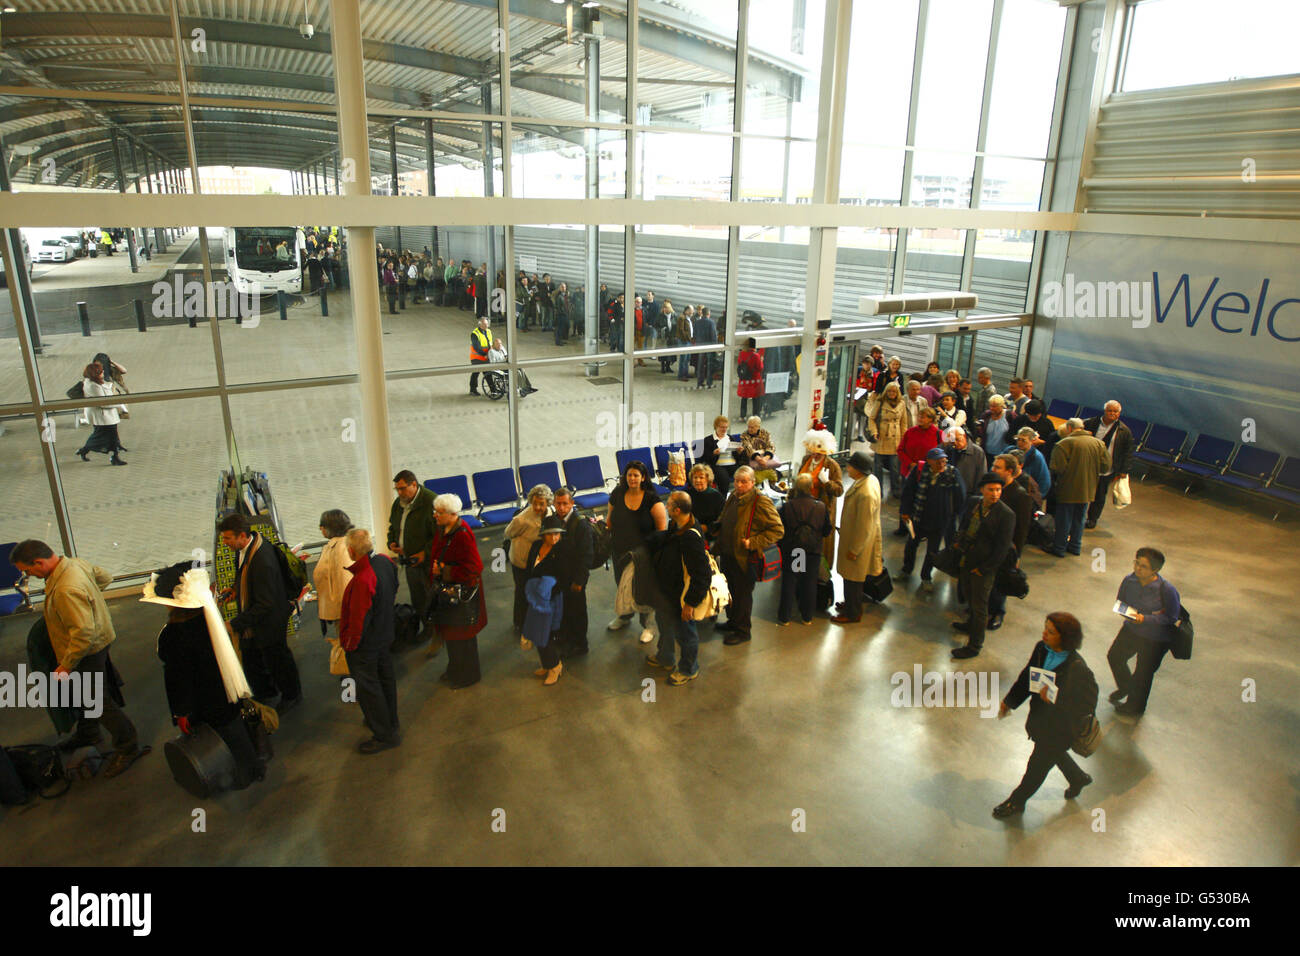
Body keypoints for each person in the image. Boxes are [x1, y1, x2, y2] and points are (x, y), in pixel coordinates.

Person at [10, 540, 143, 776]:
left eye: (28, 570)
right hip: (98, 639)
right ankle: (88, 732)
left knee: (96, 701)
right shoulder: (74, 564)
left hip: (87, 649)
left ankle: (128, 746)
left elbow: (83, 633)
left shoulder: (65, 588)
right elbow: (105, 577)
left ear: (39, 562)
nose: (27, 575)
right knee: (84, 693)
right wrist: (91, 600)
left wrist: (66, 665)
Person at [146, 561, 265, 788]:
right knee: (235, 731)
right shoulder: (209, 619)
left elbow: (177, 679)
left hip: (201, 700)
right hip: (224, 690)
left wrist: (181, 712)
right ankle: (253, 767)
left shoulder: (173, 635)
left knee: (218, 741)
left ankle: (236, 774)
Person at [993, 612, 1097, 818]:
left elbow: (1087, 704)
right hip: (1041, 720)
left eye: (1050, 632)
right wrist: (1010, 702)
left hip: (1060, 729)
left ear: (1065, 637)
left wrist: (1057, 698)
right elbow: (1027, 677)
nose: (1044, 634)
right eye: (1045, 628)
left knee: (1037, 766)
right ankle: (1077, 777)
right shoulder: (1042, 649)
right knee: (1050, 754)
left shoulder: (1077, 669)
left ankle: (1017, 801)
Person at [218, 514, 303, 710]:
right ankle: (266, 692)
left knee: (277, 658)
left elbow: (265, 604)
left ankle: (291, 695)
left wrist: (235, 624)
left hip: (270, 621)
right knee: (253, 657)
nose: (224, 543)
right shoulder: (248, 548)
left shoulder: (262, 561)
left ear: (241, 536)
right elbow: (244, 574)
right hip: (260, 619)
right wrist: (234, 588)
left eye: (227, 538)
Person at [338, 529, 400, 753]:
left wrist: (349, 645)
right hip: (384, 634)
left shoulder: (363, 579)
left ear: (352, 551)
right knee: (386, 681)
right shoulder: (384, 562)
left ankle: (383, 734)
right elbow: (394, 587)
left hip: (367, 644)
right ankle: (389, 721)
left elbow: (358, 620)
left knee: (369, 689)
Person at [645, 491, 713, 685]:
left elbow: (702, 574)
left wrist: (690, 603)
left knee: (685, 633)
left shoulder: (691, 535)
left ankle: (689, 669)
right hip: (668, 590)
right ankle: (665, 657)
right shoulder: (678, 523)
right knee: (664, 623)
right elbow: (668, 540)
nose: (665, 507)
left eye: (668, 504)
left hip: (681, 596)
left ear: (676, 510)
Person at [1107, 547, 1181, 718]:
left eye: (1143, 566)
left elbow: (1171, 617)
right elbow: (1121, 602)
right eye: (1136, 563)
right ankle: (1126, 687)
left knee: (1144, 672)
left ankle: (1135, 706)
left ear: (1155, 570)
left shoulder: (1166, 590)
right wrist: (1126, 613)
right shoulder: (1129, 580)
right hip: (1132, 630)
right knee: (1115, 656)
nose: (1137, 569)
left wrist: (1145, 619)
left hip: (1155, 639)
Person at [950, 474, 1016, 660]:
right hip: (966, 560)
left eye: (998, 490)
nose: (995, 494)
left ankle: (974, 645)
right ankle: (969, 624)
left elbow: (1002, 548)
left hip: (983, 567)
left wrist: (985, 569)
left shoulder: (1006, 514)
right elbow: (964, 523)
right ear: (982, 490)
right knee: (969, 596)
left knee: (980, 607)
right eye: (991, 489)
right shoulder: (974, 503)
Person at [715, 466, 783, 644]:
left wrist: (753, 542)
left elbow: (777, 530)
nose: (739, 484)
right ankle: (732, 622)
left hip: (745, 558)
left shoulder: (760, 501)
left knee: (742, 595)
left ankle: (743, 631)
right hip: (729, 554)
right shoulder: (733, 496)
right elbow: (724, 517)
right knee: (730, 591)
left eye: (744, 481)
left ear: (753, 483)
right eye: (737, 481)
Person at [606, 461, 668, 643]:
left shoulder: (651, 499)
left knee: (643, 589)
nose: (632, 478)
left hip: (643, 554)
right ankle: (625, 616)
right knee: (622, 585)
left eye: (636, 475)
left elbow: (661, 529)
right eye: (629, 475)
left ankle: (649, 625)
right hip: (620, 551)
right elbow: (609, 520)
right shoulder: (617, 494)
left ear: (643, 478)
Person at [897, 447, 966, 591]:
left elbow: (961, 495)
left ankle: (926, 577)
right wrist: (905, 511)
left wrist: (954, 515)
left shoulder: (952, 473)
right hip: (918, 518)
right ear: (929, 461)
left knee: (932, 551)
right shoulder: (919, 471)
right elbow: (908, 492)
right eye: (938, 462)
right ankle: (906, 569)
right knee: (911, 545)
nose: (942, 464)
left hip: (940, 521)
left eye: (944, 461)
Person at [830, 452, 883, 624]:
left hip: (857, 543)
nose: (848, 468)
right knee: (850, 578)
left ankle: (853, 613)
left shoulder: (866, 494)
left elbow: (864, 527)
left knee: (853, 579)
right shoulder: (868, 481)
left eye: (850, 466)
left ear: (858, 470)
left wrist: (855, 550)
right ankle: (850, 604)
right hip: (853, 537)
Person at [1045, 418, 1110, 558]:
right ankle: (1075, 546)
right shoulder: (1099, 444)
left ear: (1069, 428)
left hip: (1067, 488)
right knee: (1079, 518)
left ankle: (1059, 547)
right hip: (1089, 488)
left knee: (1064, 519)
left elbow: (1057, 468)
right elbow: (1106, 467)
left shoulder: (1064, 444)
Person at [986, 453, 1034, 631]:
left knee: (999, 581)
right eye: (994, 466)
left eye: (998, 467)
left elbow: (1022, 528)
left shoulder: (1020, 496)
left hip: (1006, 548)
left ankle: (998, 612)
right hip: (988, 543)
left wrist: (1017, 554)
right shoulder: (991, 487)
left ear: (1010, 472)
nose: (993, 470)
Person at [387, 471, 436, 638]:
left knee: (431, 597)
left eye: (402, 488)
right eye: (397, 489)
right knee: (418, 597)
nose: (399, 493)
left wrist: (425, 553)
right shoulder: (399, 503)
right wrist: (392, 541)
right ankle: (428, 628)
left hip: (427, 562)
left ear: (414, 484)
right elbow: (393, 526)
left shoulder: (431, 502)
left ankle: (436, 631)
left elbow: (440, 535)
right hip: (409, 560)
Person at [792, 426, 843, 585]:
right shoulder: (806, 461)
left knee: (817, 547)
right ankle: (799, 572)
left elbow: (839, 490)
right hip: (802, 510)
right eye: (812, 450)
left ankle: (818, 578)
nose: (815, 454)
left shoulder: (832, 466)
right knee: (800, 542)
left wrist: (827, 482)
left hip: (820, 512)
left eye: (819, 451)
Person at [778, 473, 830, 625]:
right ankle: (807, 617)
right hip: (812, 551)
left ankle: (784, 617)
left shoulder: (787, 506)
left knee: (790, 581)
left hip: (794, 550)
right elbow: (827, 530)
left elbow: (780, 529)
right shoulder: (820, 506)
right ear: (811, 487)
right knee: (809, 582)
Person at [505, 484, 553, 648]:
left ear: (548, 503)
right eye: (535, 503)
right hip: (522, 559)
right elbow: (508, 533)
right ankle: (520, 623)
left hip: (538, 559)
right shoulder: (522, 519)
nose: (538, 507)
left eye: (542, 504)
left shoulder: (551, 513)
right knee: (522, 591)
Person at [523, 515, 568, 685]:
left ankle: (555, 666)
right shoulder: (536, 546)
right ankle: (547, 664)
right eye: (550, 534)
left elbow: (563, 578)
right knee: (536, 631)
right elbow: (529, 569)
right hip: (534, 596)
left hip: (551, 599)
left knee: (546, 634)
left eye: (557, 534)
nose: (554, 538)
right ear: (543, 534)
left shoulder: (562, 551)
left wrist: (547, 591)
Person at [552, 488, 593, 659]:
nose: (561, 507)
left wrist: (579, 580)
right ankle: (566, 638)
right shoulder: (553, 520)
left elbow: (586, 555)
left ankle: (580, 644)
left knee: (577, 611)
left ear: (572, 504)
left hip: (574, 577)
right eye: (558, 504)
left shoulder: (580, 524)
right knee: (564, 610)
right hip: (559, 577)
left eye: (565, 504)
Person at [1082, 401, 1132, 529]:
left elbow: (1127, 452)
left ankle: (1092, 518)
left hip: (1107, 468)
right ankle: (1078, 514)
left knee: (1099, 495)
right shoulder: (1091, 423)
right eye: (1110, 411)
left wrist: (1123, 471)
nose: (1112, 414)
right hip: (1088, 464)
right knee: (1082, 490)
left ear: (1119, 414)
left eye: (1115, 411)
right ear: (1104, 411)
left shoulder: (1124, 431)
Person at [895, 407, 942, 534]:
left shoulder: (938, 434)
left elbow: (941, 455)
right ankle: (903, 527)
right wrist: (910, 463)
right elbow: (900, 450)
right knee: (906, 498)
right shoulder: (910, 432)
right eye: (919, 416)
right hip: (909, 472)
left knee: (923, 501)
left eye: (924, 417)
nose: (920, 419)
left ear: (931, 420)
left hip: (927, 474)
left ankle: (920, 529)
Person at [75, 361, 129, 466]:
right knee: (102, 436)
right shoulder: (93, 386)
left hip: (106, 417)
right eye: (100, 371)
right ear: (96, 374)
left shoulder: (95, 383)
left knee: (105, 436)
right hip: (103, 416)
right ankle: (113, 457)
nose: (103, 372)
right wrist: (119, 404)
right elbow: (104, 403)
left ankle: (87, 450)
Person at [313, 509, 353, 639]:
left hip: (344, 609)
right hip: (340, 605)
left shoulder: (340, 549)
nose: (320, 529)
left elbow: (344, 581)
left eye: (322, 525)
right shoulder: (338, 544)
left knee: (347, 640)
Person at [869, 381, 905, 499]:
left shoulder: (902, 403)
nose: (891, 393)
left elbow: (904, 422)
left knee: (895, 467)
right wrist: (874, 432)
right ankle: (878, 490)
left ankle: (896, 490)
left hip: (896, 437)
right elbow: (872, 419)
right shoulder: (880, 402)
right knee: (877, 467)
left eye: (894, 391)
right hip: (882, 436)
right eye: (889, 391)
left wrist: (904, 438)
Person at [687, 464, 725, 546]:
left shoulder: (716, 496)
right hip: (691, 532)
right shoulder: (687, 495)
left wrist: (707, 528)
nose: (697, 480)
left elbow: (722, 519)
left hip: (711, 533)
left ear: (707, 479)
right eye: (695, 477)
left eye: (701, 477)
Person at [699, 415, 737, 496]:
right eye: (722, 427)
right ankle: (723, 500)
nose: (724, 429)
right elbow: (704, 458)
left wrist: (739, 451)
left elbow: (736, 455)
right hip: (716, 464)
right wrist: (713, 453)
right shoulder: (708, 440)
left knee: (743, 471)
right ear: (716, 426)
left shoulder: (730, 438)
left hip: (730, 463)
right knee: (724, 477)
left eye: (726, 427)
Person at [945, 427, 986, 500]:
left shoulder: (978, 452)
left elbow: (981, 476)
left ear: (964, 436)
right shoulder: (949, 449)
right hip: (952, 493)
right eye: (952, 441)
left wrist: (977, 497)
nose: (955, 444)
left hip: (969, 494)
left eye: (957, 440)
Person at [739, 416, 779, 487]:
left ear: (758, 426)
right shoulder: (744, 435)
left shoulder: (765, 433)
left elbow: (771, 446)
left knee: (772, 475)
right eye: (749, 427)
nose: (749, 429)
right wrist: (759, 459)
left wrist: (765, 458)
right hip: (750, 460)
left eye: (752, 427)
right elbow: (749, 449)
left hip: (765, 460)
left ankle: (771, 489)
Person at [1013, 427, 1052, 499]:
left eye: (1023, 440)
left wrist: (1036, 499)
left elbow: (1044, 482)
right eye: (1018, 439)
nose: (1020, 443)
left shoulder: (1037, 458)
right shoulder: (1009, 451)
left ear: (1031, 441)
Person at [975, 395, 1012, 462]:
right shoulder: (986, 415)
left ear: (1001, 406)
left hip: (1003, 454)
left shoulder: (1010, 415)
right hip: (987, 453)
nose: (991, 408)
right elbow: (980, 432)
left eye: (994, 406)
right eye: (990, 406)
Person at [737, 337, 765, 416]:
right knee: (756, 397)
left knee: (744, 397)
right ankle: (755, 415)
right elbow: (760, 368)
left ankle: (742, 415)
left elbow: (740, 363)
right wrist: (761, 360)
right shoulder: (756, 355)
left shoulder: (741, 353)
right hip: (754, 380)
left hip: (744, 379)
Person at [695, 307, 718, 388]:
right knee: (709, 365)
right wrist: (715, 346)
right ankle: (709, 383)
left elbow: (694, 333)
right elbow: (713, 335)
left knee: (700, 365)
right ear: (709, 314)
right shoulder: (711, 322)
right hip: (709, 346)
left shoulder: (697, 322)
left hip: (700, 346)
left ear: (702, 313)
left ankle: (699, 382)